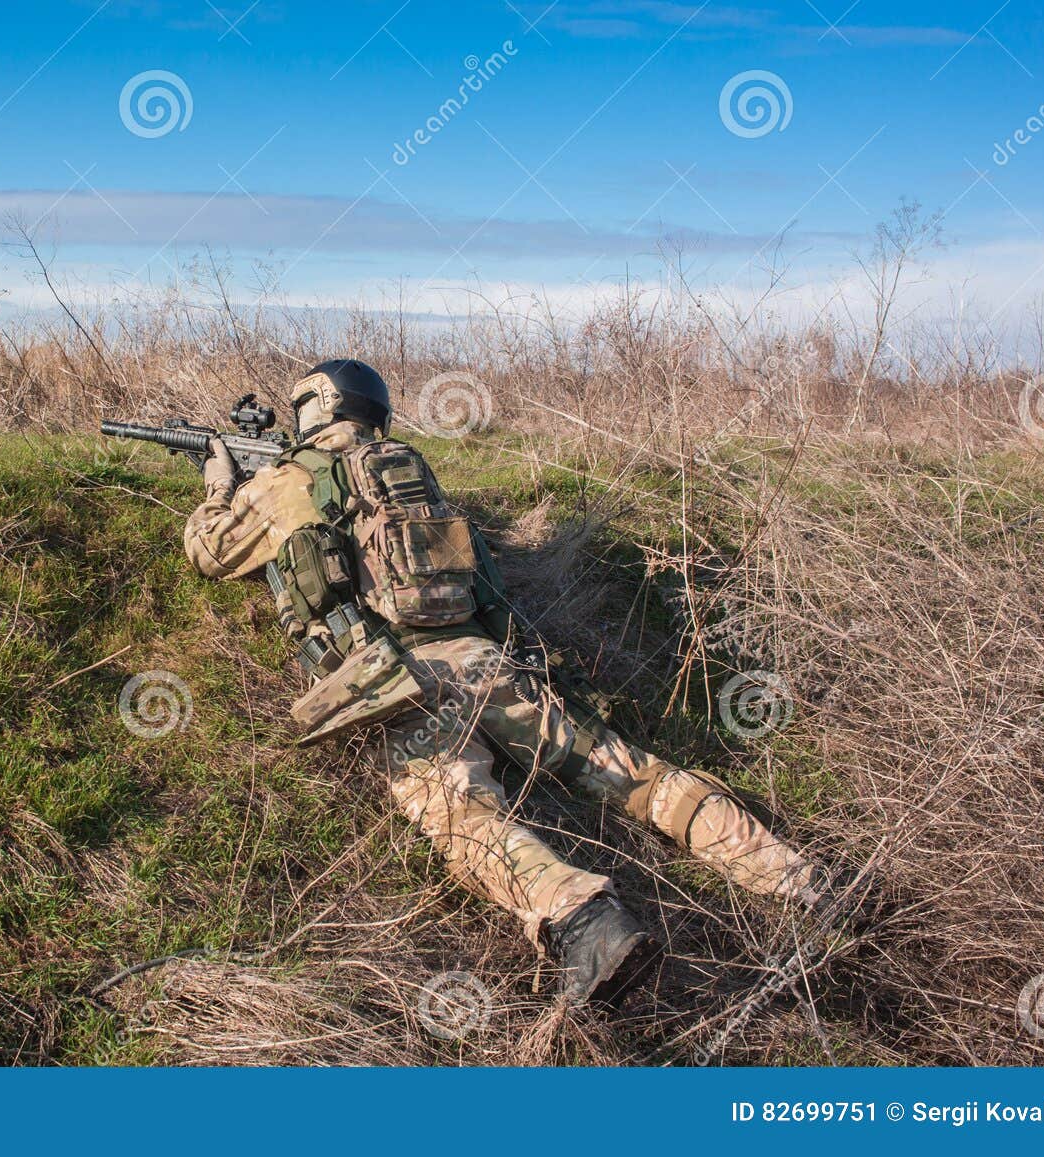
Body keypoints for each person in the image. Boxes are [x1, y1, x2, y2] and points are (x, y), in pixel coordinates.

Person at [183, 358, 822, 1008]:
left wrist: (219, 481)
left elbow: (208, 551)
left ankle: (583, 918)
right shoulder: (404, 466)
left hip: (394, 680)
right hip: (484, 656)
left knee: (463, 812)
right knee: (627, 771)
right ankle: (795, 878)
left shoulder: (281, 480)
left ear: (313, 406)